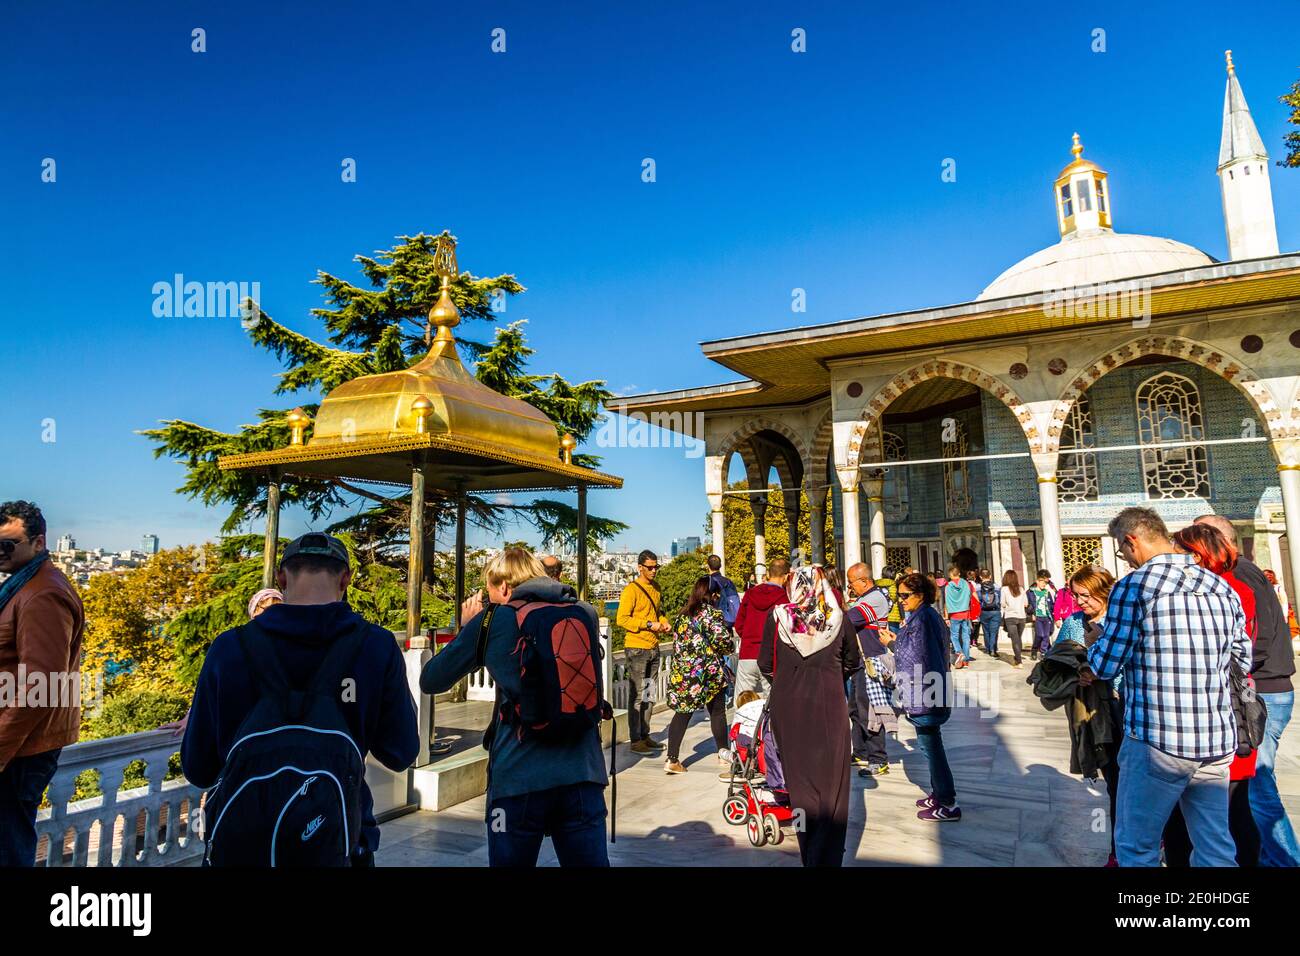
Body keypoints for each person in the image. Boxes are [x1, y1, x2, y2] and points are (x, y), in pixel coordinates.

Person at [182, 532, 419, 867]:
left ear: (281, 578)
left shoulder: (230, 647)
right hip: (339, 841)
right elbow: (401, 752)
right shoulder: (376, 646)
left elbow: (198, 768)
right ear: (345, 579)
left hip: (244, 846)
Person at [421, 547, 609, 866]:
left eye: (490, 591)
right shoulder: (584, 612)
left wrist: (469, 629)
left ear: (505, 587)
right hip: (583, 774)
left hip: (518, 781)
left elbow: (432, 679)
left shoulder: (495, 618)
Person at [1084, 507, 1250, 867]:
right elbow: (1242, 661)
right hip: (1216, 740)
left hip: (1159, 741)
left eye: (1122, 551)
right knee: (1215, 845)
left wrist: (1092, 650)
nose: (1125, 560)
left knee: (1136, 845)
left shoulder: (1136, 585)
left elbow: (1106, 662)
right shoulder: (1219, 585)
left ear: (1132, 541)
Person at [1195, 514, 1299, 867]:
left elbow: (1258, 641)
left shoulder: (1237, 577)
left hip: (1264, 691)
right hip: (1270, 687)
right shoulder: (1246, 571)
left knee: (1256, 788)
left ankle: (1285, 861)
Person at [1161, 524, 1261, 867]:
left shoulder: (1218, 591)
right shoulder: (1233, 589)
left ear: (1194, 553)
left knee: (1221, 815)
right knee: (1230, 814)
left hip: (1214, 714)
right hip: (1226, 714)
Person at [759, 565, 862, 865]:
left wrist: (790, 681)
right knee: (834, 787)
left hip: (788, 708)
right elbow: (852, 663)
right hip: (828, 706)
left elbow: (766, 663)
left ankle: (811, 856)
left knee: (800, 788)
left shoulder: (777, 617)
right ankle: (830, 856)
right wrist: (826, 677)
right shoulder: (838, 619)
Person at [0, 501, 84, 867]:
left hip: (22, 748)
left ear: (39, 542)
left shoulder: (41, 594)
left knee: (8, 844)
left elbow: (42, 684)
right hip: (23, 743)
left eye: (7, 544)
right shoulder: (25, 586)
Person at [1056, 566, 1121, 865]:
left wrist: (1096, 654)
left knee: (1130, 780)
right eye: (1076, 596)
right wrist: (1076, 671)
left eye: (1086, 595)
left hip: (1125, 705)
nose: (1080, 602)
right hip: (1094, 713)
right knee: (1114, 778)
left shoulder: (1120, 621)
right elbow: (1055, 661)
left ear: (1102, 592)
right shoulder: (1072, 624)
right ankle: (1118, 849)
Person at [888, 572, 960, 821]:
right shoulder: (923, 616)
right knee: (931, 745)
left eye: (905, 595)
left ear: (920, 595)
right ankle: (939, 792)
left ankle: (948, 803)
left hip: (927, 692)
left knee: (932, 749)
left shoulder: (923, 619)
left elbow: (918, 657)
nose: (901, 600)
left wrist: (894, 645)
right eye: (899, 595)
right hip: (928, 690)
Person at [663, 577, 733, 775]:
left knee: (682, 713)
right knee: (717, 712)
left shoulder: (681, 616)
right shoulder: (710, 614)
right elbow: (723, 642)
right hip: (707, 672)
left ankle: (672, 759)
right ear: (712, 595)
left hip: (683, 673)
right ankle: (723, 753)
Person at [616, 550, 670, 755]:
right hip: (637, 647)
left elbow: (659, 612)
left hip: (654, 647)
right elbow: (622, 619)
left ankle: (645, 735)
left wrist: (664, 624)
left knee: (649, 693)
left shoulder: (656, 588)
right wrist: (648, 624)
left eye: (656, 567)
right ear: (640, 567)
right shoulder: (631, 590)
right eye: (650, 567)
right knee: (637, 696)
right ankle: (635, 739)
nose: (654, 570)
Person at [845, 562, 896, 776]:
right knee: (856, 709)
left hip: (873, 662)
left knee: (872, 711)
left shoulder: (875, 598)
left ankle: (878, 758)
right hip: (860, 662)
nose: (849, 587)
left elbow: (849, 619)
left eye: (851, 582)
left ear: (865, 581)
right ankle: (861, 751)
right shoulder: (864, 598)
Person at [732, 559, 789, 697]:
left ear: (768, 573)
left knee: (742, 700)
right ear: (786, 576)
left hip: (748, 652)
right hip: (772, 656)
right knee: (773, 702)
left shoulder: (750, 594)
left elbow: (739, 623)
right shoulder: (785, 599)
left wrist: (748, 637)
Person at [943, 565, 973, 668]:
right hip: (965, 613)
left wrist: (946, 616)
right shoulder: (965, 584)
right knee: (966, 636)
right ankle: (966, 660)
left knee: (954, 636)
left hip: (954, 614)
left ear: (950, 575)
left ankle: (959, 652)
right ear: (959, 573)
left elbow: (947, 602)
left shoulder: (948, 586)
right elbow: (970, 596)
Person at [999, 570, 1028, 668]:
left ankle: (1019, 661)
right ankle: (1017, 658)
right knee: (1018, 639)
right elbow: (1026, 604)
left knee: (1015, 640)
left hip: (1010, 616)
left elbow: (1002, 603)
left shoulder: (1004, 589)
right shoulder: (1021, 589)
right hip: (1022, 617)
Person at [1026, 570, 1057, 660]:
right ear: (1037, 581)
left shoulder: (1047, 592)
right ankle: (1034, 649)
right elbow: (1027, 605)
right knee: (1040, 635)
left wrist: (1053, 616)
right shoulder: (1030, 592)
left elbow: (1051, 605)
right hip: (1037, 617)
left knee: (1046, 635)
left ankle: (1043, 652)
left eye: (1046, 582)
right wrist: (1030, 614)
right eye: (1042, 581)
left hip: (1047, 617)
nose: (1044, 584)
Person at [706, 554, 741, 630]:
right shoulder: (728, 582)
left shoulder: (707, 582)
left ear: (708, 566)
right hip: (727, 621)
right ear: (720, 565)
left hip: (712, 623)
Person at [976, 568, 1001, 660]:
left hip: (983, 611)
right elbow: (1000, 599)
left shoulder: (977, 587)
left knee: (986, 631)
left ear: (980, 577)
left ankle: (987, 649)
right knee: (994, 632)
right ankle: (993, 650)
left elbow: (977, 600)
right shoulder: (997, 586)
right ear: (990, 576)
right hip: (995, 611)